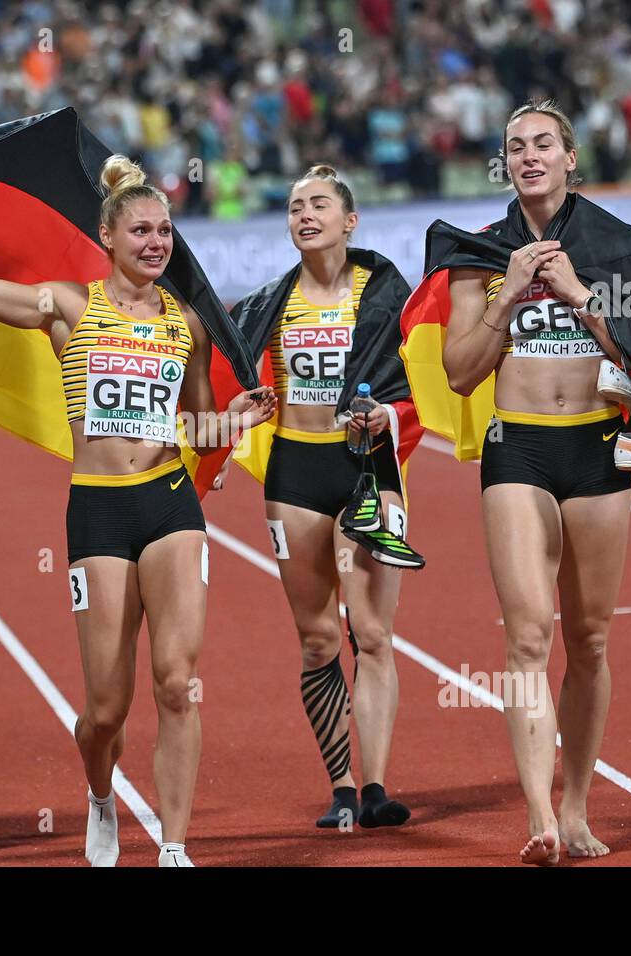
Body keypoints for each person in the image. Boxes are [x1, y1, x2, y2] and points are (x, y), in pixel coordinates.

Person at [0, 140, 275, 866]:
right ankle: (101, 795)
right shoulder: (67, 306)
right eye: (141, 230)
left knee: (177, 683)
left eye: (164, 232)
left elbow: (192, 429)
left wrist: (238, 420)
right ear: (106, 236)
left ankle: (174, 846)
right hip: (99, 511)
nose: (156, 243)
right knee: (104, 709)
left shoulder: (185, 324)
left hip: (168, 506)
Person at [439, 101, 631, 864]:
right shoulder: (477, 252)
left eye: (544, 144)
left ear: (571, 158)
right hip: (519, 449)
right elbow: (460, 371)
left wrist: (577, 292)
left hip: (598, 450)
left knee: (591, 638)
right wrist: (509, 294)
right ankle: (538, 814)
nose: (529, 156)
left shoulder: (617, 244)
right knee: (526, 635)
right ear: (504, 163)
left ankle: (576, 807)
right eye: (516, 147)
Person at [227, 164, 421, 829]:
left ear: (350, 221)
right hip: (295, 476)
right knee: (317, 641)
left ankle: (375, 788)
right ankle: (339, 786)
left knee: (370, 631)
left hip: (367, 470)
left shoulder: (386, 294)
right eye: (292, 207)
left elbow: (417, 378)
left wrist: (389, 418)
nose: (303, 214)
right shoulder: (268, 305)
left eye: (317, 204)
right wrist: (233, 415)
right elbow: (223, 375)